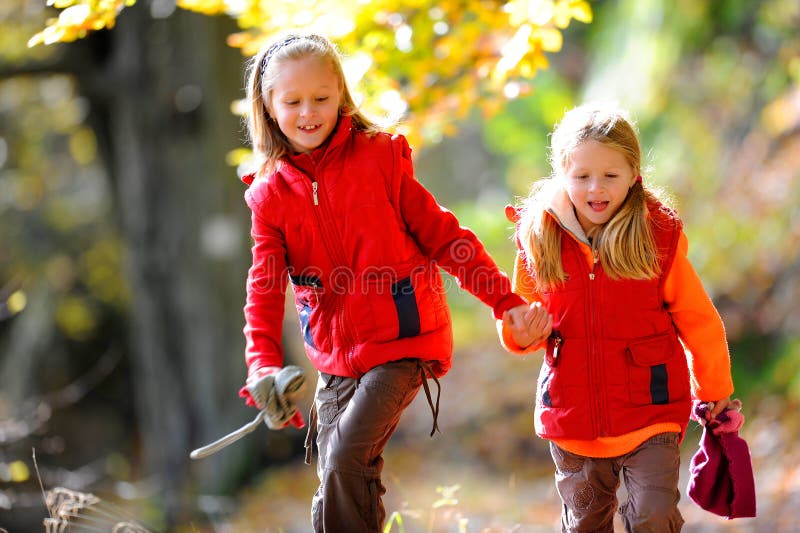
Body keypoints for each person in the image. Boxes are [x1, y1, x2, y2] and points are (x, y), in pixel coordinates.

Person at [237, 32, 527, 533]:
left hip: (403, 342)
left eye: (322, 99)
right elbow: (263, 287)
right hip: (335, 359)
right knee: (341, 475)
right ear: (268, 105)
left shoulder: (380, 158)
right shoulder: (269, 196)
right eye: (293, 102)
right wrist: (262, 364)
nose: (309, 112)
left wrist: (503, 299)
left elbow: (444, 235)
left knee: (347, 456)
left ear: (341, 96)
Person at [499, 103, 735, 532]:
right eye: (582, 176)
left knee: (654, 515)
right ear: (562, 175)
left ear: (634, 174)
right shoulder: (538, 237)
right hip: (574, 420)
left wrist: (714, 389)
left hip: (652, 413)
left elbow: (697, 318)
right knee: (586, 524)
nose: (596, 188)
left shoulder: (656, 235)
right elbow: (519, 317)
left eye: (611, 175)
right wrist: (521, 334)